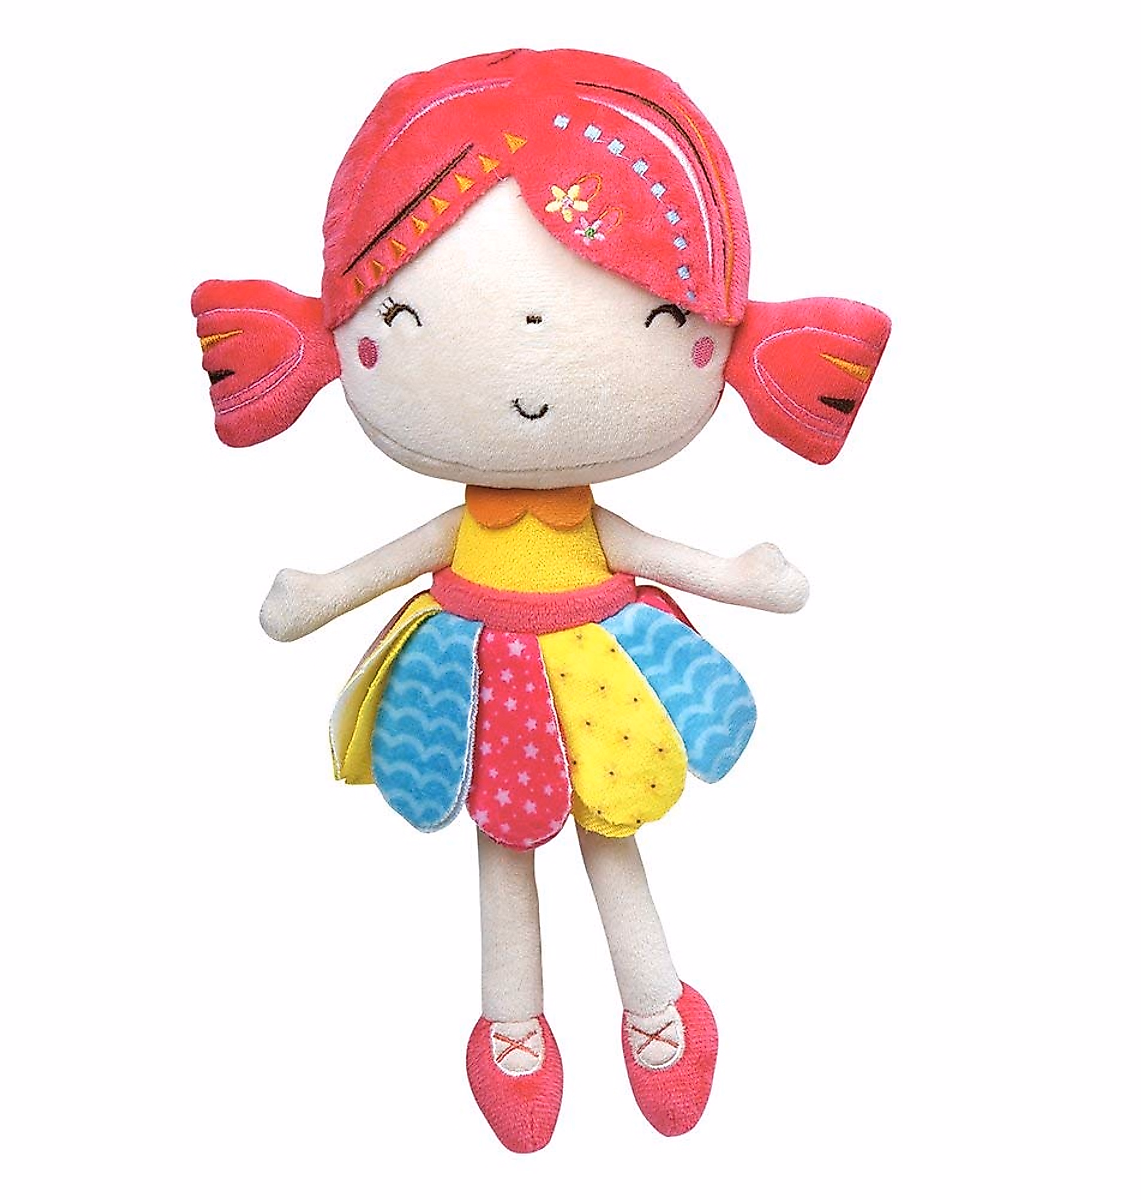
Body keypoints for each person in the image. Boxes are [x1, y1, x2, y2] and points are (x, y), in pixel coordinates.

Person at [191, 47, 890, 1153]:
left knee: (610, 826)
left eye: (651, 321)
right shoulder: (469, 520)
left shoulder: (578, 516)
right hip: (475, 676)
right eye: (412, 320)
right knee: (503, 841)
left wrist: (736, 577)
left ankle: (653, 1003)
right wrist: (327, 591)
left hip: (592, 666)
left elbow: (639, 547)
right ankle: (513, 1022)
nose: (528, 380)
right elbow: (410, 553)